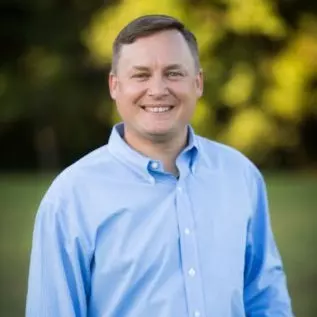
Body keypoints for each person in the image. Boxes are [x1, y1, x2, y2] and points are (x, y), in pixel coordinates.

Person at [26, 14, 293, 317]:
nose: (157, 89)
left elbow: (265, 298)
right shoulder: (70, 197)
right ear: (115, 85)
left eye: (174, 73)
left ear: (198, 82)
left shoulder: (240, 175)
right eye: (140, 75)